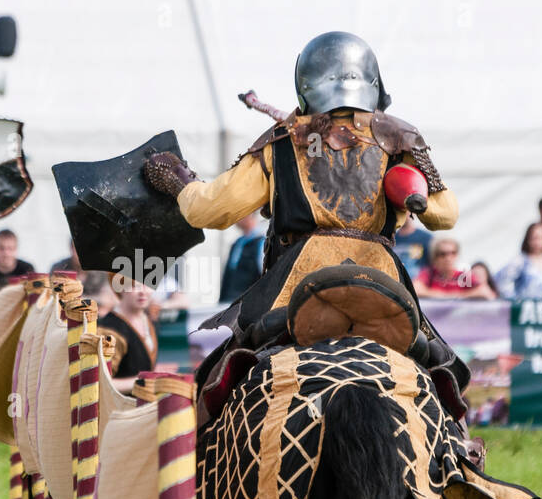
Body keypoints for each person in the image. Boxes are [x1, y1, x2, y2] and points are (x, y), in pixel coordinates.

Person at [141, 30, 471, 421]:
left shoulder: (282, 140)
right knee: (440, 372)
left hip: (294, 285)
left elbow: (208, 211)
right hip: (380, 279)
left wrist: (181, 182)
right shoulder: (398, 137)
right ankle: (458, 457)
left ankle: (202, 462)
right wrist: (413, 195)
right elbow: (445, 214)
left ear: (304, 85)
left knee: (219, 384)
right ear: (374, 82)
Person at [97, 275, 158, 393]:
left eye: (148, 285)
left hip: (142, 405)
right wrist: (146, 382)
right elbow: (100, 383)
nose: (143, 292)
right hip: (118, 408)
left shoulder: (148, 320)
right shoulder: (110, 329)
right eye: (135, 286)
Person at [414, 238, 494, 299]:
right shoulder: (429, 273)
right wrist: (446, 297)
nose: (448, 258)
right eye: (443, 254)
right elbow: (415, 290)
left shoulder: (464, 276)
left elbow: (486, 292)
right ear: (435, 257)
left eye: (453, 253)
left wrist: (454, 297)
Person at [494, 222, 542, 299]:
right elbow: (501, 281)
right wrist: (514, 301)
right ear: (528, 239)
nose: (538, 242)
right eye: (535, 238)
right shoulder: (520, 261)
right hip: (526, 307)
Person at [219, 212, 264, 304]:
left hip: (248, 306)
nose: (235, 219)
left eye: (239, 213)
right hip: (228, 304)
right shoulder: (236, 243)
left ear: (250, 215)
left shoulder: (262, 243)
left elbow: (264, 278)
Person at [394, 213, 433, 279]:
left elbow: (433, 266)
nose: (402, 214)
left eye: (405, 211)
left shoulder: (426, 238)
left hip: (418, 282)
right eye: (398, 211)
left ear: (413, 213)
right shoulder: (390, 238)